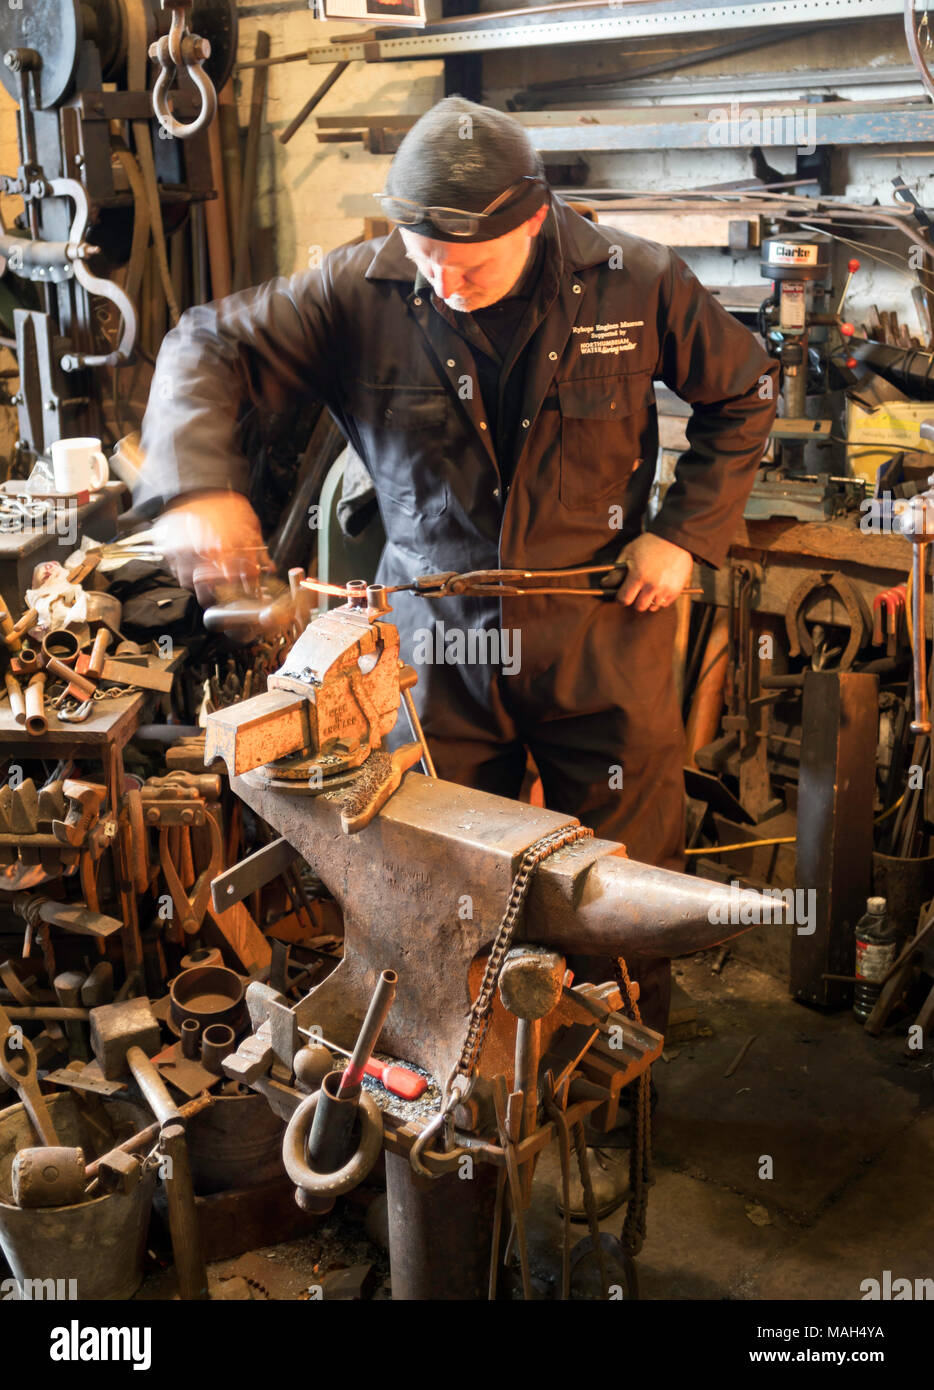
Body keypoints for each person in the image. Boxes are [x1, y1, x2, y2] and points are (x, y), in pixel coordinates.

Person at [134, 96, 778, 1206]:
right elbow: (208, 343)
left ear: (535, 223)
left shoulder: (634, 277)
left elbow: (743, 389)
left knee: (616, 868)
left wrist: (686, 533)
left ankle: (613, 1087)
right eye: (425, 254)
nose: (443, 280)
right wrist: (194, 482)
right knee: (435, 878)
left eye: (468, 261)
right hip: (432, 637)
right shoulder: (361, 284)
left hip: (600, 625)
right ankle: (454, 1099)